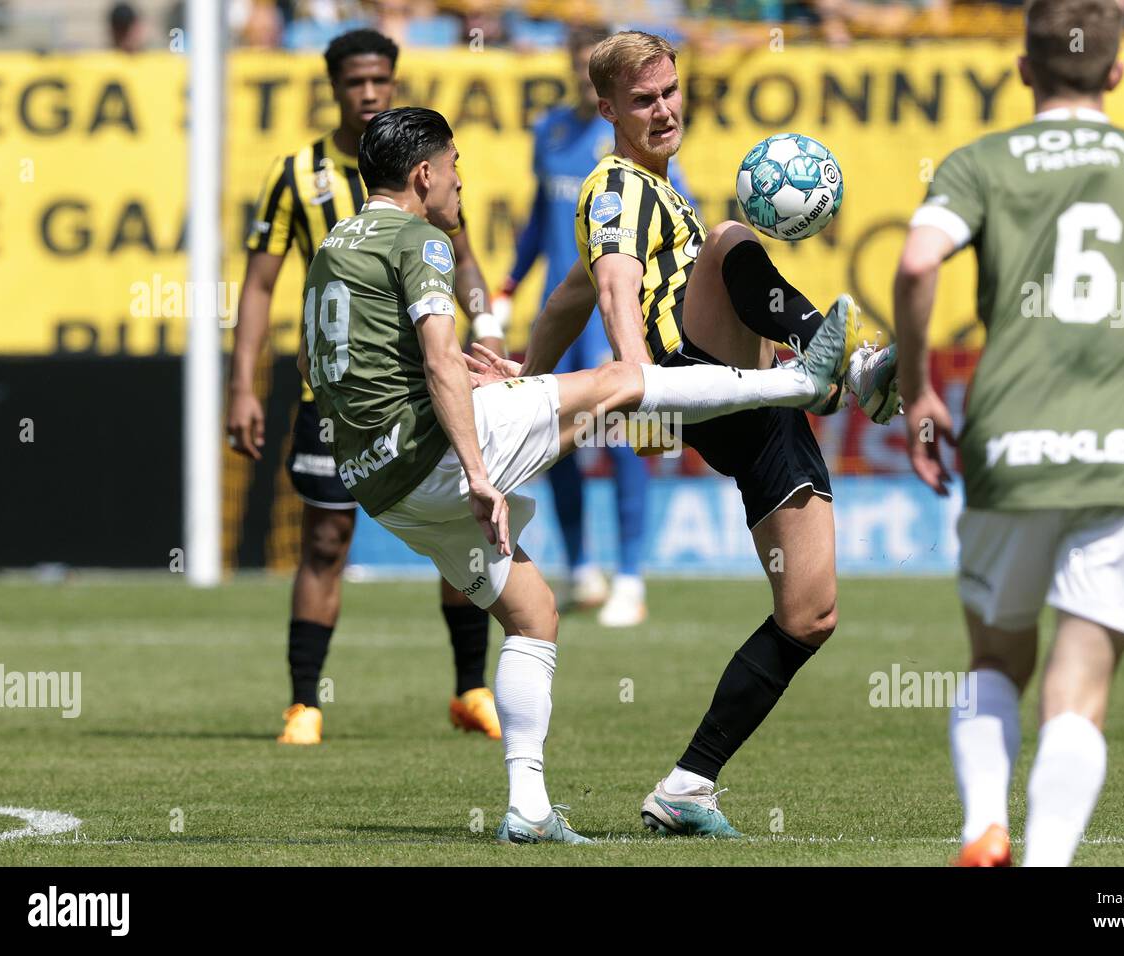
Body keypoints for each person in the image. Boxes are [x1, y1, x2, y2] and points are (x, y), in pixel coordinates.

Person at [302, 106, 855, 841]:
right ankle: (799, 380)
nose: (461, 181)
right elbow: (437, 355)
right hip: (442, 455)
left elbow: (340, 366)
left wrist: (484, 379)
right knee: (621, 382)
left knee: (534, 616)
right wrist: (477, 468)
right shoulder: (420, 238)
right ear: (423, 175)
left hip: (386, 486)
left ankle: (528, 810)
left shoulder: (336, 245)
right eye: (455, 166)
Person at [893, 0, 1124, 866]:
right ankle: (1049, 859)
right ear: (1119, 73)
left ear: (1024, 70)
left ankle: (986, 819)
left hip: (1010, 448)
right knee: (1079, 685)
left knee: (993, 661)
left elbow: (913, 264)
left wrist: (918, 393)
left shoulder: (982, 161)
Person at [519, 30, 901, 837]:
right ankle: (851, 368)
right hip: (691, 373)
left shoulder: (664, 188)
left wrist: (525, 381)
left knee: (811, 613)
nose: (663, 111)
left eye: (669, 93)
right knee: (731, 239)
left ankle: (687, 787)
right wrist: (638, 383)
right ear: (607, 109)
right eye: (642, 101)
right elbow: (618, 288)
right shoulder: (616, 185)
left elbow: (568, 295)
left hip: (756, 407)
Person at [227, 29, 507, 745]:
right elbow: (260, 286)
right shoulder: (296, 174)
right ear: (333, 86)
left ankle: (471, 689)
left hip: (419, 394)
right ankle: (303, 703)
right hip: (334, 398)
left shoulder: (424, 168)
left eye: (381, 79)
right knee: (324, 539)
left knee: (457, 529)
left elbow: (465, 259)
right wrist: (243, 385)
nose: (371, 92)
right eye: (356, 82)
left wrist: (489, 325)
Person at [500, 23, 690, 626]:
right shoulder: (550, 133)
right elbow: (537, 217)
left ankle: (632, 574)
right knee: (550, 438)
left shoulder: (635, 147)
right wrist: (508, 283)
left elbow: (671, 214)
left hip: (618, 307)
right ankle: (582, 565)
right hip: (565, 302)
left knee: (635, 434)